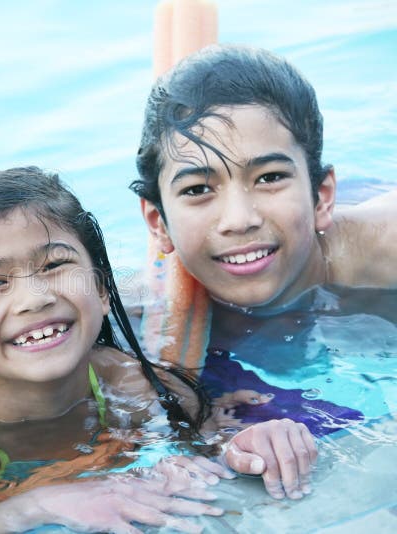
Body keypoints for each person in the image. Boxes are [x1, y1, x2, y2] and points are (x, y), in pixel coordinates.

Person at [0, 167, 315, 533]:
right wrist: (38, 503)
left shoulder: (137, 384)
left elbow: (209, 449)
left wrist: (253, 444)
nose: (35, 298)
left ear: (99, 289)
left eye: (54, 265)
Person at [131, 45, 396, 439]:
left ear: (321, 196)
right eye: (198, 189)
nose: (239, 220)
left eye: (270, 177)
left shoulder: (384, 248)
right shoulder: (134, 316)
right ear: (159, 224)